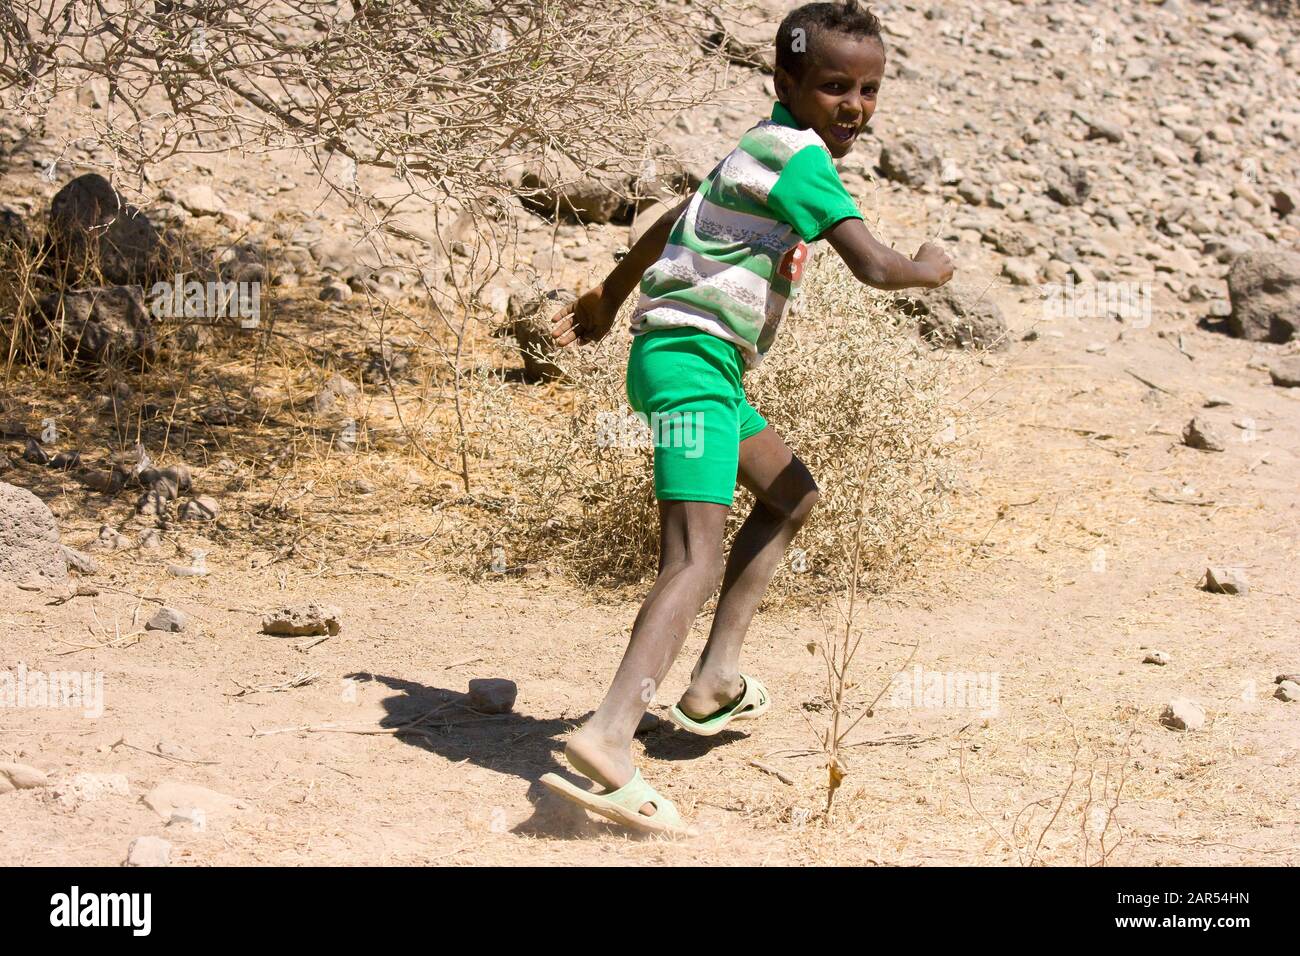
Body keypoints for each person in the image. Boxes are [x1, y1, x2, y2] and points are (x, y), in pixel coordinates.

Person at [543, 0, 954, 835]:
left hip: (705, 370)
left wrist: (607, 297)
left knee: (793, 495)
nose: (854, 107)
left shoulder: (759, 145)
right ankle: (609, 735)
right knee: (693, 555)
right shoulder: (802, 162)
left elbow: (671, 223)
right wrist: (930, 270)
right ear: (787, 82)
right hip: (691, 368)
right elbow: (873, 268)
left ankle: (714, 681)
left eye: (870, 90)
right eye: (834, 86)